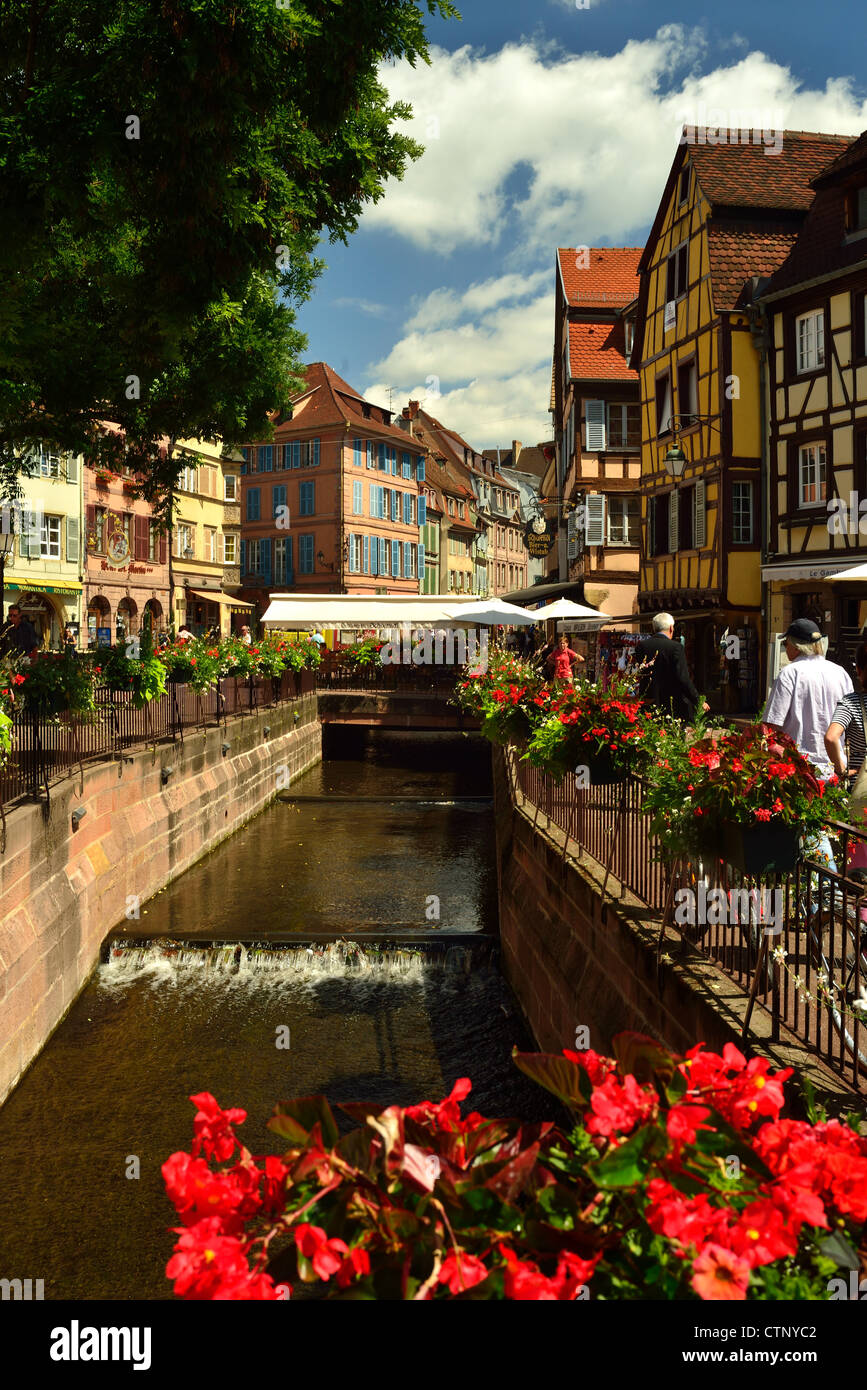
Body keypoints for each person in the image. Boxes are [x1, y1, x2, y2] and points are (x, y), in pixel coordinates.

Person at [763, 618, 852, 780]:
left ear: (796, 646)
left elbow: (770, 726)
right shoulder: (841, 673)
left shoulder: (789, 673)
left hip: (799, 770)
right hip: (834, 767)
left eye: (786, 643)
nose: (785, 647)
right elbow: (851, 724)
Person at [635, 613, 703, 721]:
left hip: (649, 702)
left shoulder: (642, 646)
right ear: (671, 628)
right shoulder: (675, 647)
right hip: (671, 705)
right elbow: (683, 678)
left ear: (654, 628)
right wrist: (698, 700)